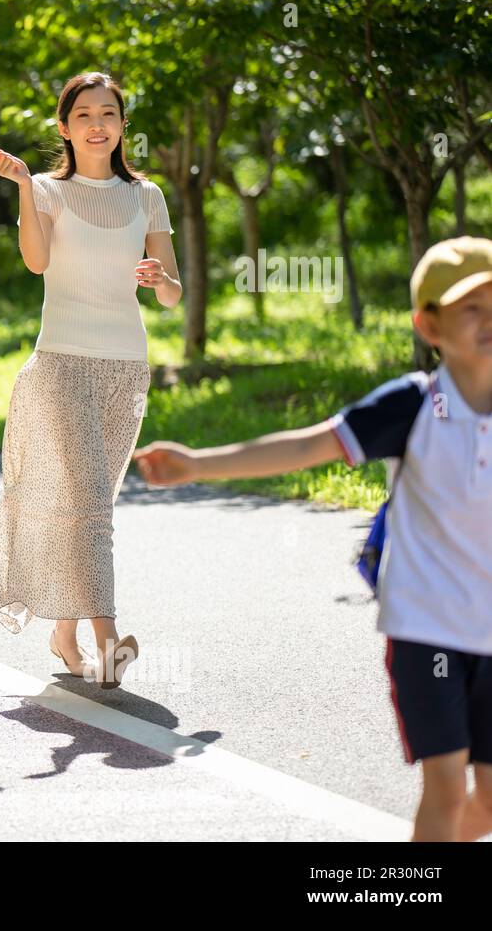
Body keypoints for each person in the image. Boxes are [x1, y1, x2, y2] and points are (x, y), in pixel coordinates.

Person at [134, 236, 492, 842]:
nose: (488, 321)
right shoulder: (412, 405)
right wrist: (197, 464)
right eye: (471, 309)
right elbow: (307, 445)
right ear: (428, 324)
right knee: (446, 785)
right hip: (427, 629)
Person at [0, 71, 181, 688]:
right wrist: (23, 187)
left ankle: (64, 632)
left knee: (93, 502)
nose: (98, 125)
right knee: (92, 504)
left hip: (126, 367)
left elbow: (174, 294)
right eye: (85, 116)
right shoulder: (46, 189)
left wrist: (158, 279)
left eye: (110, 114)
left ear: (123, 126)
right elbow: (37, 262)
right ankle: (109, 639)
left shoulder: (147, 197)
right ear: (65, 128)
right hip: (62, 362)